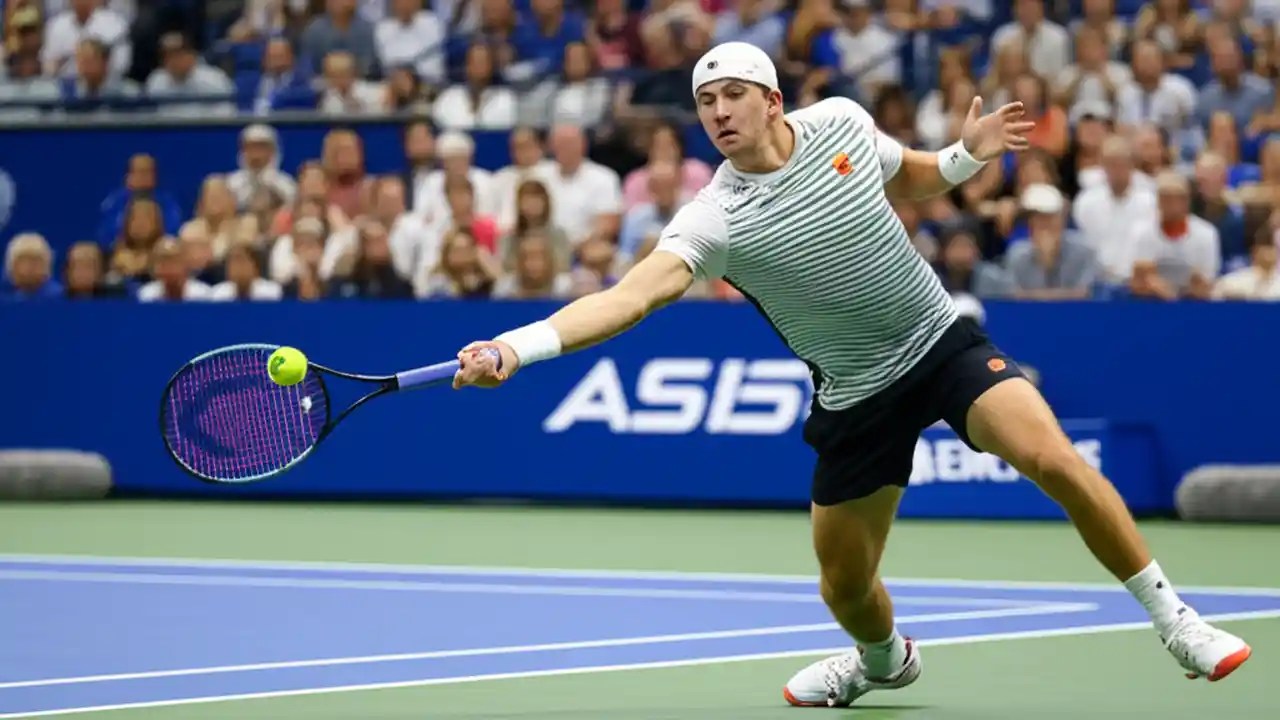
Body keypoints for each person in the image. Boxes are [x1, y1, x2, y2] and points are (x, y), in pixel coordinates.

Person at [449, 42, 1252, 707]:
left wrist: (964, 158)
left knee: (1055, 460)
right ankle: (880, 663)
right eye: (705, 103)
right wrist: (518, 348)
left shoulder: (839, 122)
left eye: (732, 95)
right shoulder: (714, 216)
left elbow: (910, 173)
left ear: (771, 100)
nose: (718, 113)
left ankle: (1177, 621)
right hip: (855, 394)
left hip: (939, 344)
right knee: (845, 589)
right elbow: (630, 297)